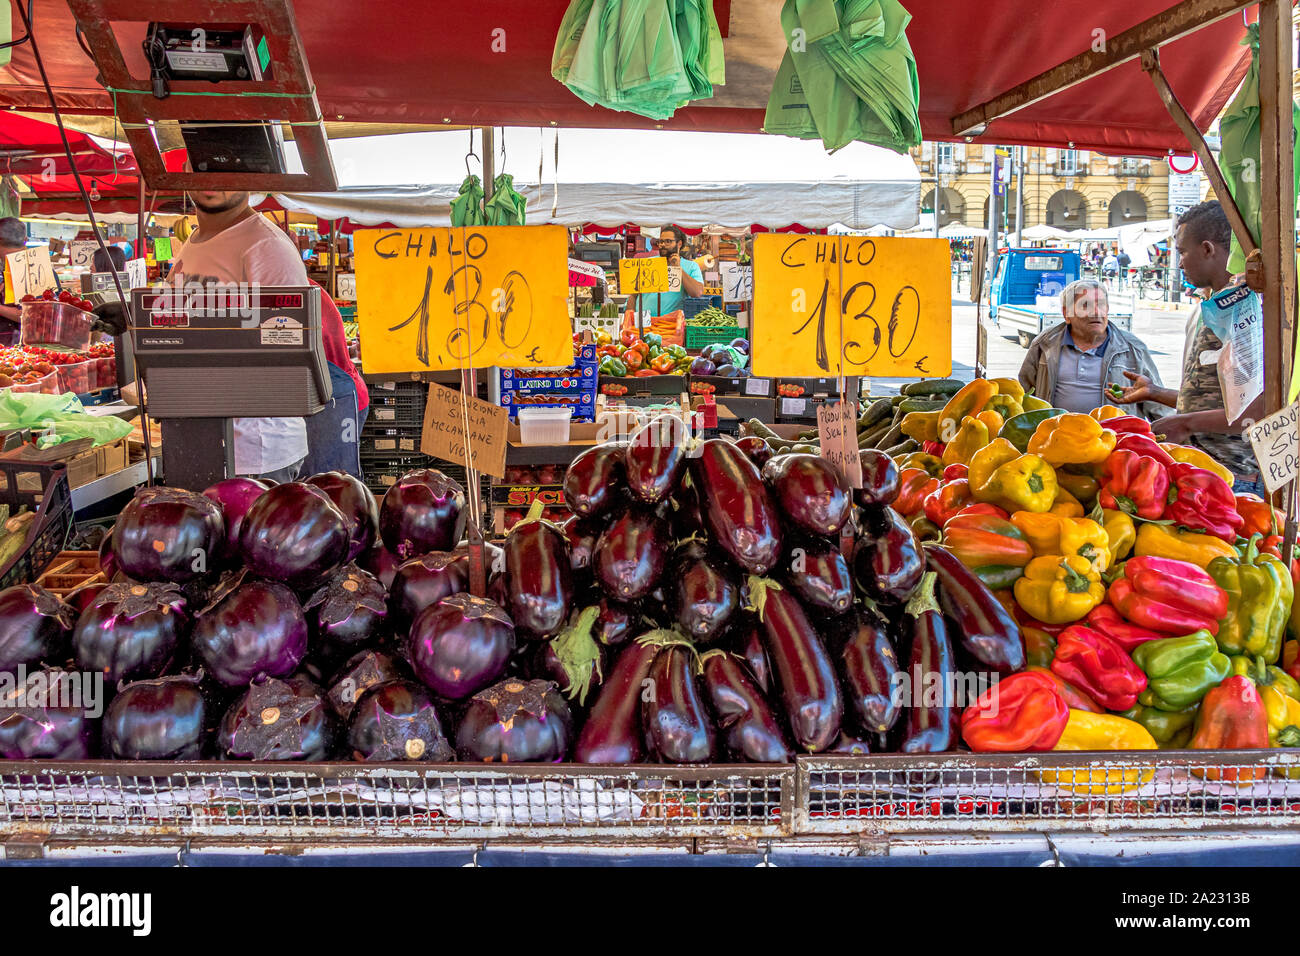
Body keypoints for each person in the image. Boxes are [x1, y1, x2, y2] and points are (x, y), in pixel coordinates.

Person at [104, 190, 366, 483]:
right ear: (187, 171)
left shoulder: (266, 246)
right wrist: (136, 318)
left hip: (254, 453)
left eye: (224, 170)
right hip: (200, 442)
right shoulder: (193, 242)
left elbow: (288, 367)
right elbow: (190, 318)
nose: (213, 182)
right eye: (201, 167)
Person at [1117, 200, 1267, 496]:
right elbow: (1222, 400)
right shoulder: (1211, 309)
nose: (1180, 262)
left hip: (1231, 480)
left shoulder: (1245, 311)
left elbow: (1260, 407)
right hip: (1198, 471)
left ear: (1208, 249)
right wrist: (1156, 392)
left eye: (1183, 251)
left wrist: (1185, 424)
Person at [1018, 278, 1163, 417]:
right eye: (1085, 305)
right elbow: (1023, 394)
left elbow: (1157, 403)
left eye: (1100, 305)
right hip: (1055, 437)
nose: (1096, 312)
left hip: (1115, 439)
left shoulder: (1133, 348)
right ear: (1066, 314)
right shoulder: (1045, 344)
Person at [642, 224, 705, 316]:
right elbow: (633, 294)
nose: (662, 245)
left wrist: (678, 268)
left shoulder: (691, 266)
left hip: (672, 323)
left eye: (668, 241)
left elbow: (697, 293)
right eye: (660, 241)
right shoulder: (649, 263)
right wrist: (629, 313)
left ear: (679, 244)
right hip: (644, 321)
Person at [0, 217, 28, 325]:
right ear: (25, 240)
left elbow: (31, 315)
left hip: (19, 339)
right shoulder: (43, 269)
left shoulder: (29, 271)